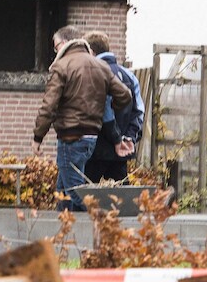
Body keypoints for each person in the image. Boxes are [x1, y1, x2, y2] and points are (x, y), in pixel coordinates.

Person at [33, 25, 133, 211]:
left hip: (70, 137)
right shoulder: (100, 66)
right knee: (63, 191)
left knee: (76, 194)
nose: (55, 51)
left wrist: (38, 137)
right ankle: (64, 232)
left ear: (63, 43)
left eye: (55, 47)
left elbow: (49, 106)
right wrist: (108, 106)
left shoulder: (62, 67)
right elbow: (125, 95)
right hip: (91, 138)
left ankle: (106, 222)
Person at [83, 31, 145, 183]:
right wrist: (128, 137)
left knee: (86, 198)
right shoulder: (128, 76)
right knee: (122, 199)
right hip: (121, 150)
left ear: (91, 51)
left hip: (96, 149)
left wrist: (114, 136)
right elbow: (139, 112)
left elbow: (103, 110)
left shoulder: (93, 73)